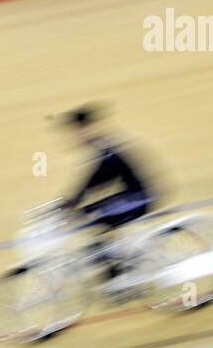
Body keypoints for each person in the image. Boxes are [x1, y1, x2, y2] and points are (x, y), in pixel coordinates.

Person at [56, 104, 157, 287]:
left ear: (88, 129)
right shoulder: (102, 146)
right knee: (89, 216)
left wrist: (71, 204)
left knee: (91, 217)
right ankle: (116, 266)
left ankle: (118, 272)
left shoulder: (105, 150)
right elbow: (94, 181)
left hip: (139, 198)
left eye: (77, 132)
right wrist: (71, 203)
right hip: (132, 195)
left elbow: (95, 180)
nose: (73, 138)